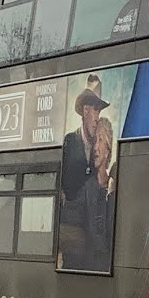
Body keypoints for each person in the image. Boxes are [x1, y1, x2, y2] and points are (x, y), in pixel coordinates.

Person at [59, 75, 116, 272]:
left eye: (100, 111)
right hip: (74, 244)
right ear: (85, 111)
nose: (97, 116)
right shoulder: (70, 142)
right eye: (96, 110)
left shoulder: (109, 181)